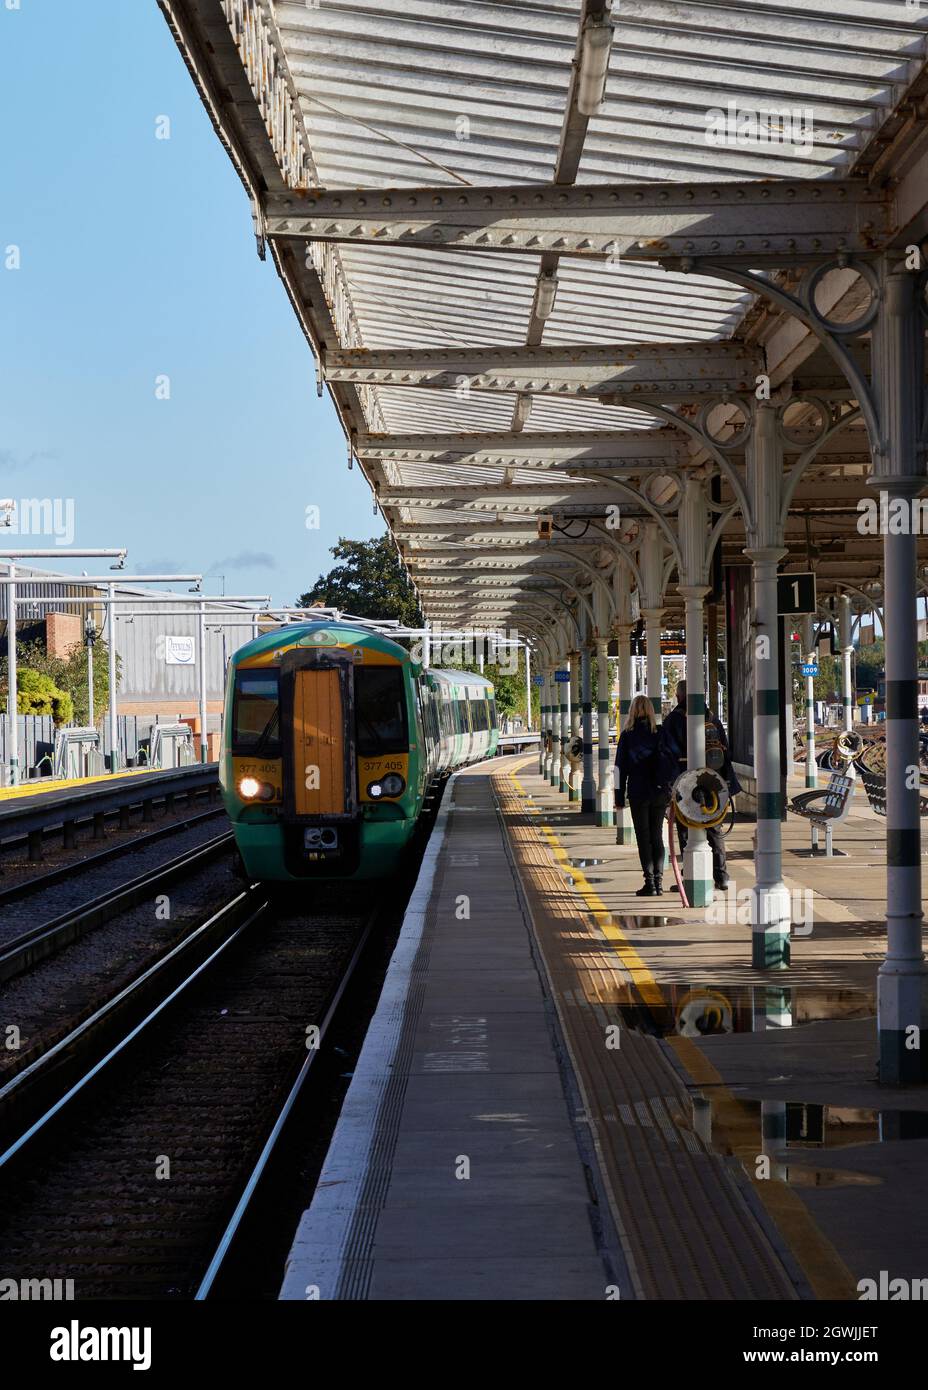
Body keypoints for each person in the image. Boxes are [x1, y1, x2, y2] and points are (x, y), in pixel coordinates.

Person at [659, 680, 739, 891]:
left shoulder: (674, 720)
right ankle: (721, 876)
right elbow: (726, 751)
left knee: (686, 828)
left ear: (679, 696)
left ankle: (691, 876)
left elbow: (667, 755)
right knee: (714, 827)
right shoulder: (713, 719)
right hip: (713, 782)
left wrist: (670, 787)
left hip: (686, 783)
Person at [614, 694, 670, 897]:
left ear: (632, 712)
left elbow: (619, 769)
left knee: (643, 837)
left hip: (638, 792)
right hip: (659, 792)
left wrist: (619, 798)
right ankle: (660, 882)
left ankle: (650, 883)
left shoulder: (627, 736)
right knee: (657, 837)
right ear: (650, 711)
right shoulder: (660, 732)